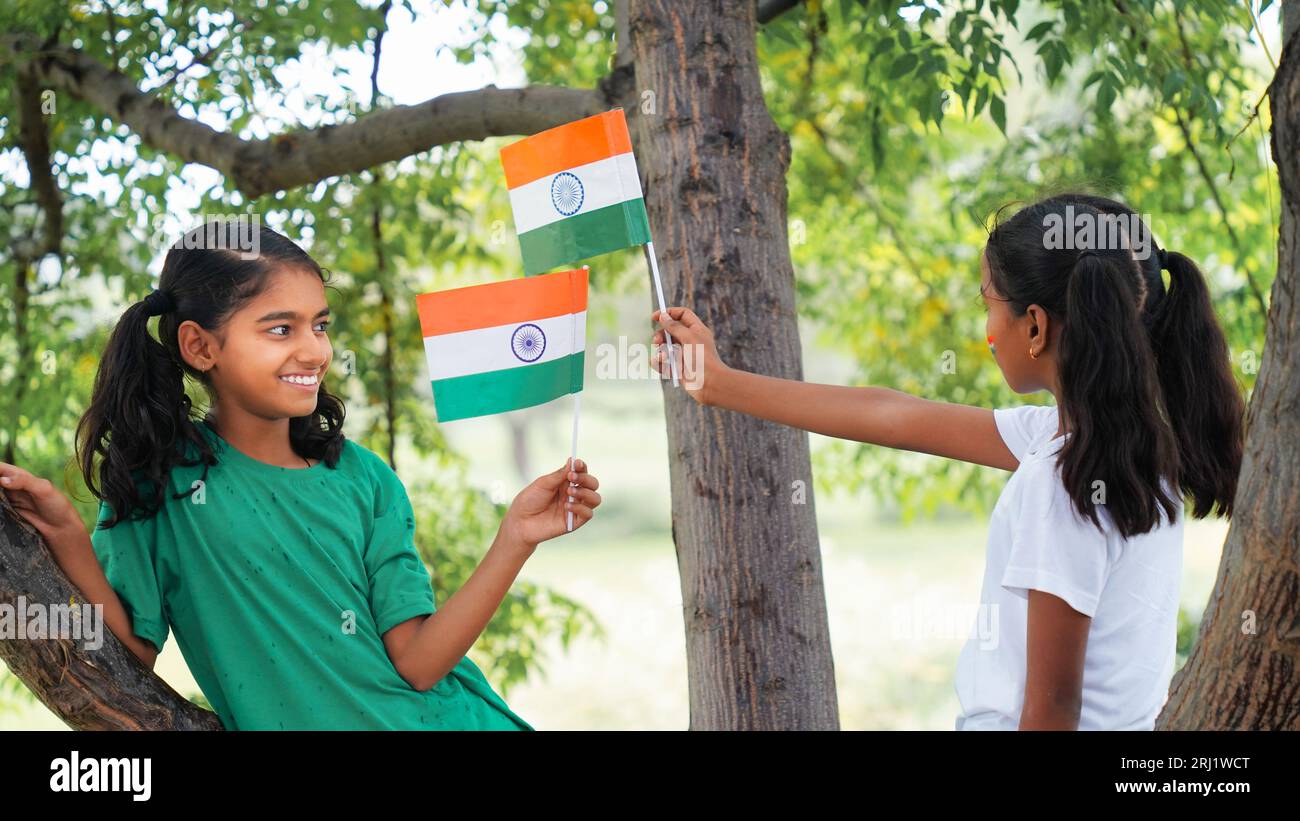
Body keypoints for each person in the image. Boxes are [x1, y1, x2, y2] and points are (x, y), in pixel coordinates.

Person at [648, 193, 1244, 730]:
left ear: (1034, 326)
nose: (987, 333)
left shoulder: (1062, 482)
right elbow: (896, 417)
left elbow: (1054, 708)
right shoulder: (1133, 453)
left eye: (989, 306)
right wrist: (718, 383)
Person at [0, 220, 602, 730]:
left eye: (320, 325)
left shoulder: (365, 479)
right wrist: (67, 536)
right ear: (200, 347)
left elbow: (418, 663)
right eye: (280, 329)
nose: (314, 351)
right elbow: (130, 654)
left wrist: (515, 537)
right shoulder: (160, 480)